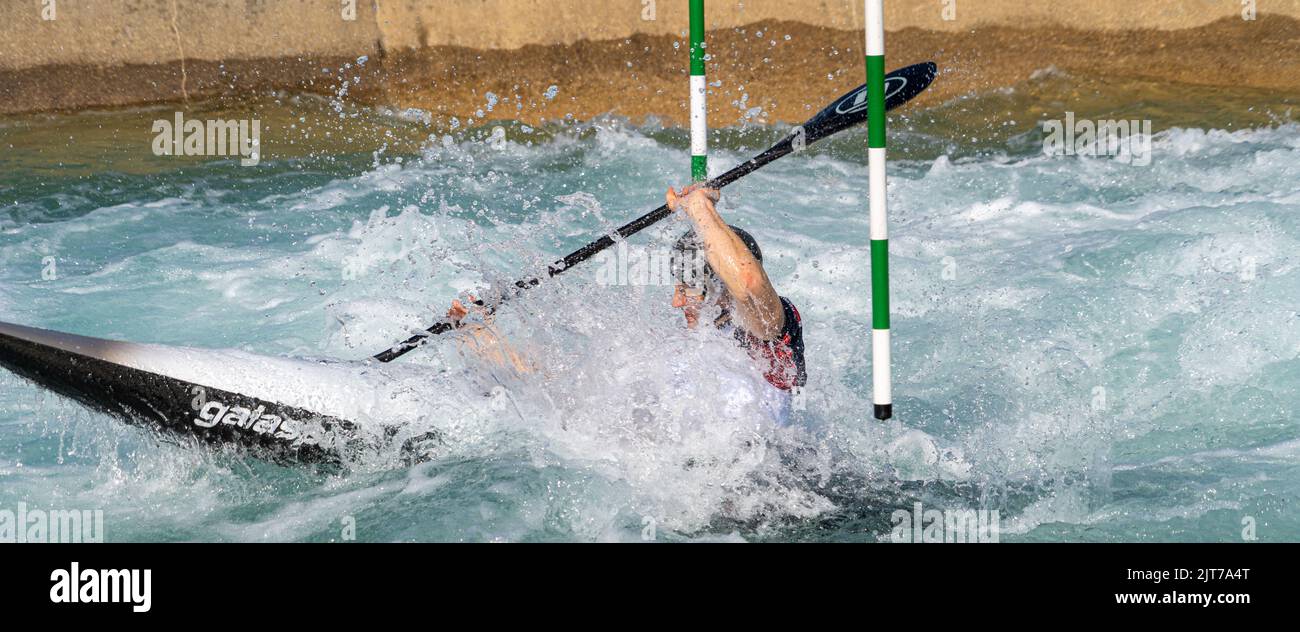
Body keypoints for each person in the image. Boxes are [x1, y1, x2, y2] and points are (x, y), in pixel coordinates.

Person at [665, 185, 806, 395]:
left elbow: (749, 283)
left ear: (724, 288)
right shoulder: (683, 339)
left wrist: (699, 207)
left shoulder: (764, 334)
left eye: (685, 290)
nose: (676, 302)